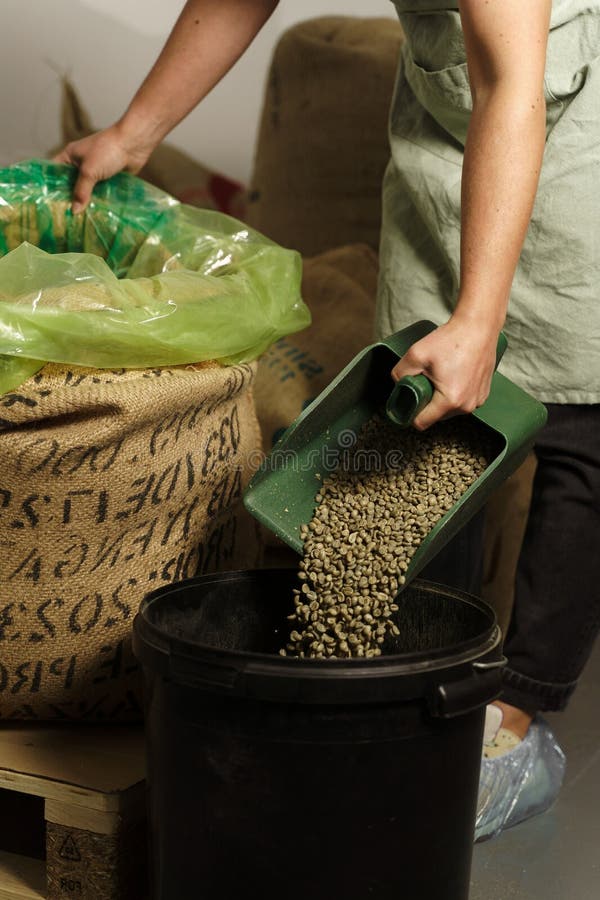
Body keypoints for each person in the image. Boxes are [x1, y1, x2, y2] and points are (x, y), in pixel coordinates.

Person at [56, 0, 598, 840]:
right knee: (416, 417)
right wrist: (134, 132)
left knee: (579, 424)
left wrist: (482, 319)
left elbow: (509, 83)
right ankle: (425, 678)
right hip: (450, 132)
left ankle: (518, 717)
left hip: (568, 136)